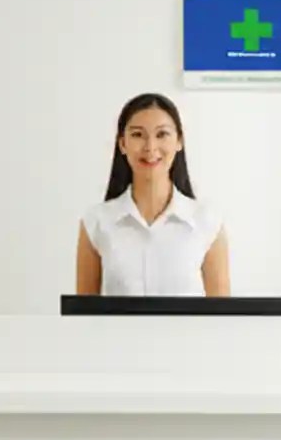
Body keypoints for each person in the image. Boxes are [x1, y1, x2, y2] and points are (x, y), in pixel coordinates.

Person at [75, 93, 230, 297]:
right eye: (138, 135)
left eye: (162, 134)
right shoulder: (96, 221)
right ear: (122, 144)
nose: (150, 147)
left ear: (179, 141)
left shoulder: (207, 221)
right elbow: (83, 318)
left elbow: (221, 318)